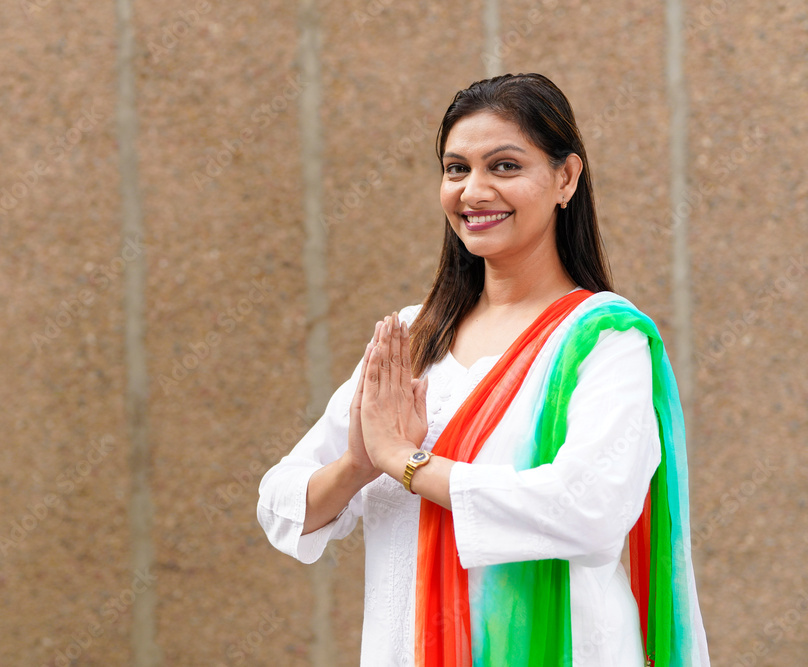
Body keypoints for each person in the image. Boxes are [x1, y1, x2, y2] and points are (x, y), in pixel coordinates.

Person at [258, 73, 710, 666]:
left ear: (565, 178)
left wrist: (407, 463)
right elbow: (282, 502)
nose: (474, 191)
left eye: (503, 166)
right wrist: (359, 464)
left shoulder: (603, 340)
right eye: (455, 169)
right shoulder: (415, 337)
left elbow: (588, 507)